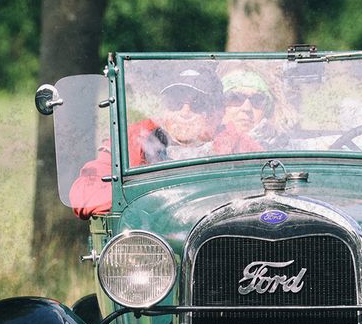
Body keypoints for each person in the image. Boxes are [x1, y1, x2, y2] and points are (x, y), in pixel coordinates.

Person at [69, 67, 260, 218]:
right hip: (155, 251)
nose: (185, 111)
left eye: (198, 104)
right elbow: (83, 194)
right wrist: (149, 197)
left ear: (218, 112)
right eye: (176, 102)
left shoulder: (240, 146)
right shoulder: (134, 141)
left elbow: (270, 186)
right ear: (164, 108)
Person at [220, 68, 292, 149]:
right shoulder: (206, 151)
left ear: (268, 110)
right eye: (235, 98)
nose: (247, 108)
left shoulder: (285, 149)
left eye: (257, 99)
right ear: (219, 106)